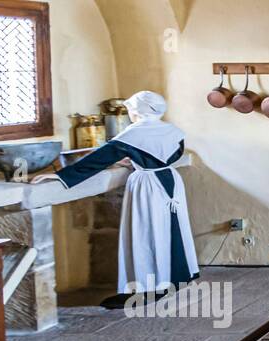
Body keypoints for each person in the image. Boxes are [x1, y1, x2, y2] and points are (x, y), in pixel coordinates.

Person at [34, 91, 198, 302]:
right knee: (170, 228)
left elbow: (95, 161)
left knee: (146, 233)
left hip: (147, 185)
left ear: (137, 111)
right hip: (169, 180)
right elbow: (168, 155)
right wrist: (137, 159)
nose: (129, 113)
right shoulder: (172, 130)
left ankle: (147, 287)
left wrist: (58, 175)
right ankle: (174, 278)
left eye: (130, 109)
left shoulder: (133, 134)